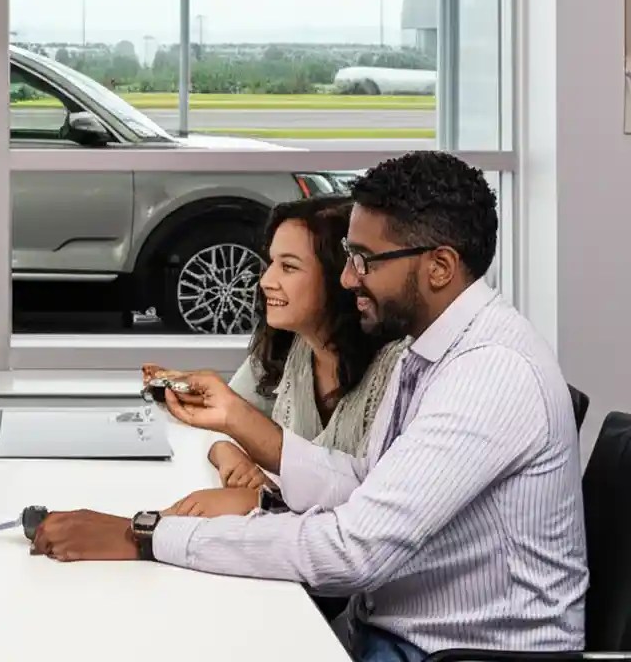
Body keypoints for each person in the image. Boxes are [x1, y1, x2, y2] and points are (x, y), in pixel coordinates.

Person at [30, 151, 587, 661]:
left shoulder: (489, 372)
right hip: (392, 635)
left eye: (364, 260)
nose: (347, 279)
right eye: (348, 257)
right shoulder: (431, 350)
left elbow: (352, 552)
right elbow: (361, 487)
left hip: (451, 655)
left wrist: (146, 536)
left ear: (439, 267)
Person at [143, 196, 406, 517]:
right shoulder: (287, 345)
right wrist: (232, 457)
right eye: (271, 264)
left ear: (343, 277)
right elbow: (226, 423)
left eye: (289, 267)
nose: (266, 281)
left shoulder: (397, 369)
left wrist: (266, 504)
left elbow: (379, 504)